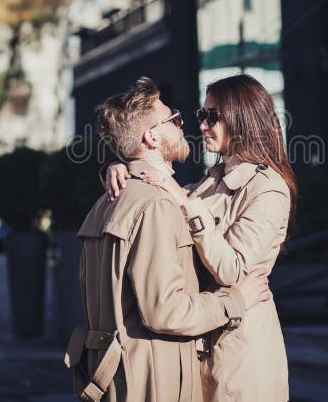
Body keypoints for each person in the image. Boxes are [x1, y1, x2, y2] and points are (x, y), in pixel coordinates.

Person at [68, 76, 272, 402]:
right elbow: (165, 311)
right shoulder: (157, 203)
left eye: (209, 116)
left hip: (126, 375)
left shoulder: (109, 200)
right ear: (152, 136)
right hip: (152, 379)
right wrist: (236, 300)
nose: (187, 125)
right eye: (175, 119)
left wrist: (124, 164)